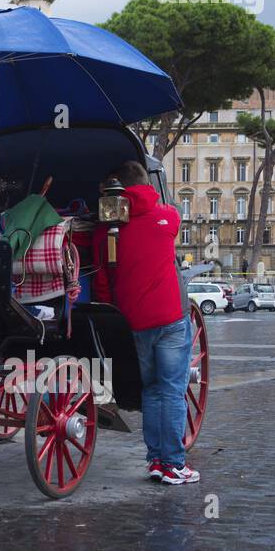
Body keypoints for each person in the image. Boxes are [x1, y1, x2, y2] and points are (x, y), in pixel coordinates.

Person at [92, 160, 199, 485]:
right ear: (146, 186)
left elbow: (101, 281)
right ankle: (173, 464)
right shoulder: (167, 217)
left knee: (152, 390)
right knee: (173, 390)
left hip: (133, 322)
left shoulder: (103, 232)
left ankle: (155, 460)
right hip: (169, 318)